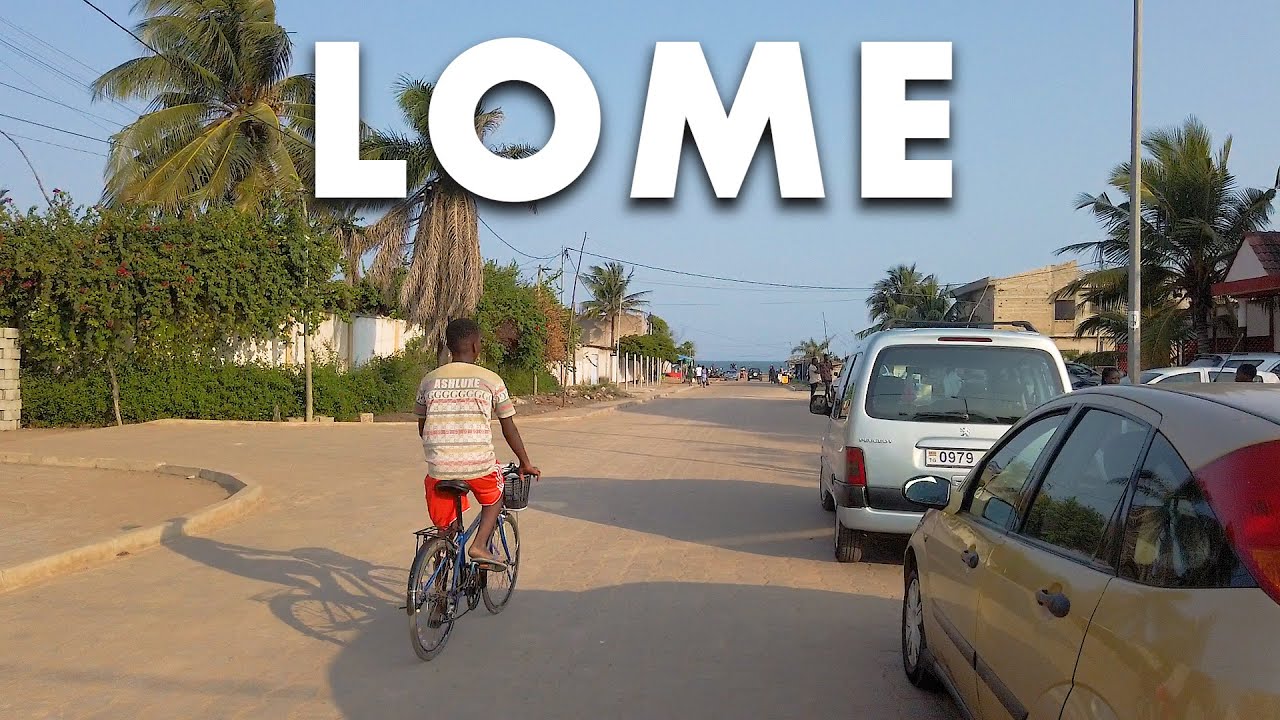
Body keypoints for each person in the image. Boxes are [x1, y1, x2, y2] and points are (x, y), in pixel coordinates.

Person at [415, 318, 540, 570]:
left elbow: (422, 426)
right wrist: (525, 462)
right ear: (475, 345)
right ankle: (480, 545)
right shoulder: (490, 379)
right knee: (495, 497)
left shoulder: (429, 380)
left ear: (449, 346)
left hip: (439, 468)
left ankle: (440, 582)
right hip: (478, 466)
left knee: (446, 529)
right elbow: (509, 428)